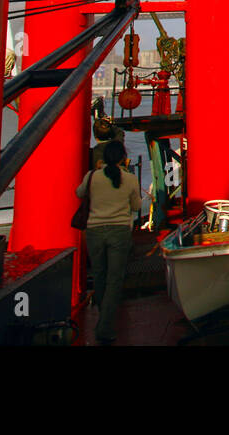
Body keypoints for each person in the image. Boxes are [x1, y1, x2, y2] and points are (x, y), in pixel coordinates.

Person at [76, 140, 141, 344]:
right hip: (119, 232)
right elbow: (137, 206)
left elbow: (78, 193)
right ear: (123, 157)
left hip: (95, 231)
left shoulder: (93, 176)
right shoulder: (129, 179)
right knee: (115, 279)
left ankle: (103, 316)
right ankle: (104, 326)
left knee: (100, 276)